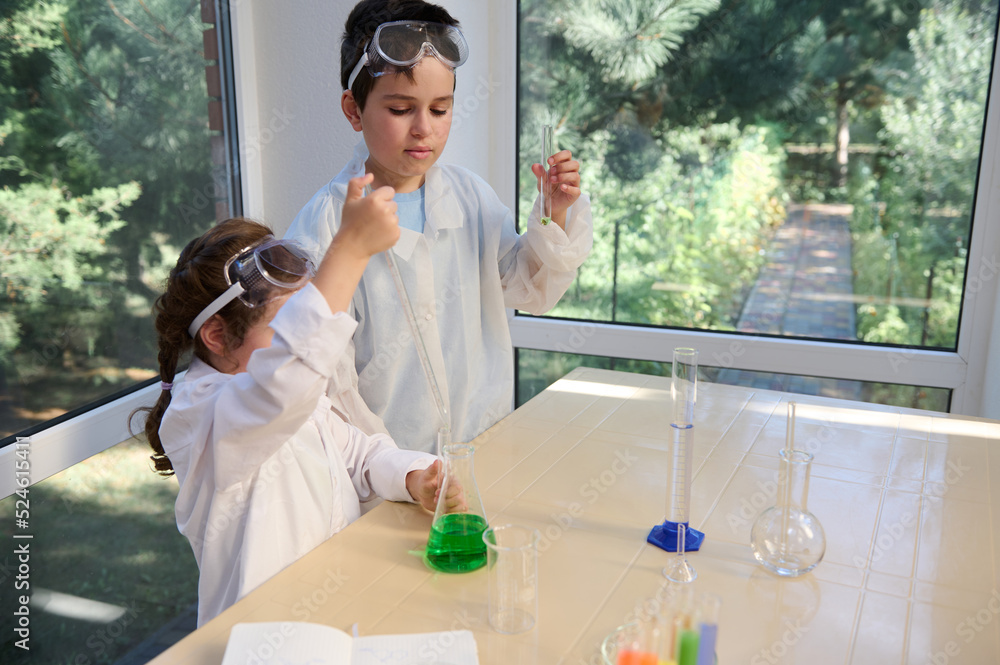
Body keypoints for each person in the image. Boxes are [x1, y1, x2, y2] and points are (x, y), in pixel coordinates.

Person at [286, 0, 593, 453]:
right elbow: (328, 385)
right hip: (387, 480)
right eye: (400, 109)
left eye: (440, 108)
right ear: (354, 110)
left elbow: (529, 288)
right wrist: (395, 470)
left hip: (483, 448)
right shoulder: (324, 227)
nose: (422, 129)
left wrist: (557, 212)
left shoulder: (469, 197)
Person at [133, 196, 446, 626]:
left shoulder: (292, 396)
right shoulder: (202, 416)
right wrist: (351, 248)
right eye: (284, 327)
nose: (294, 344)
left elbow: (359, 455)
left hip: (336, 608)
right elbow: (280, 387)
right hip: (263, 639)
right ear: (217, 336)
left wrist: (412, 476)